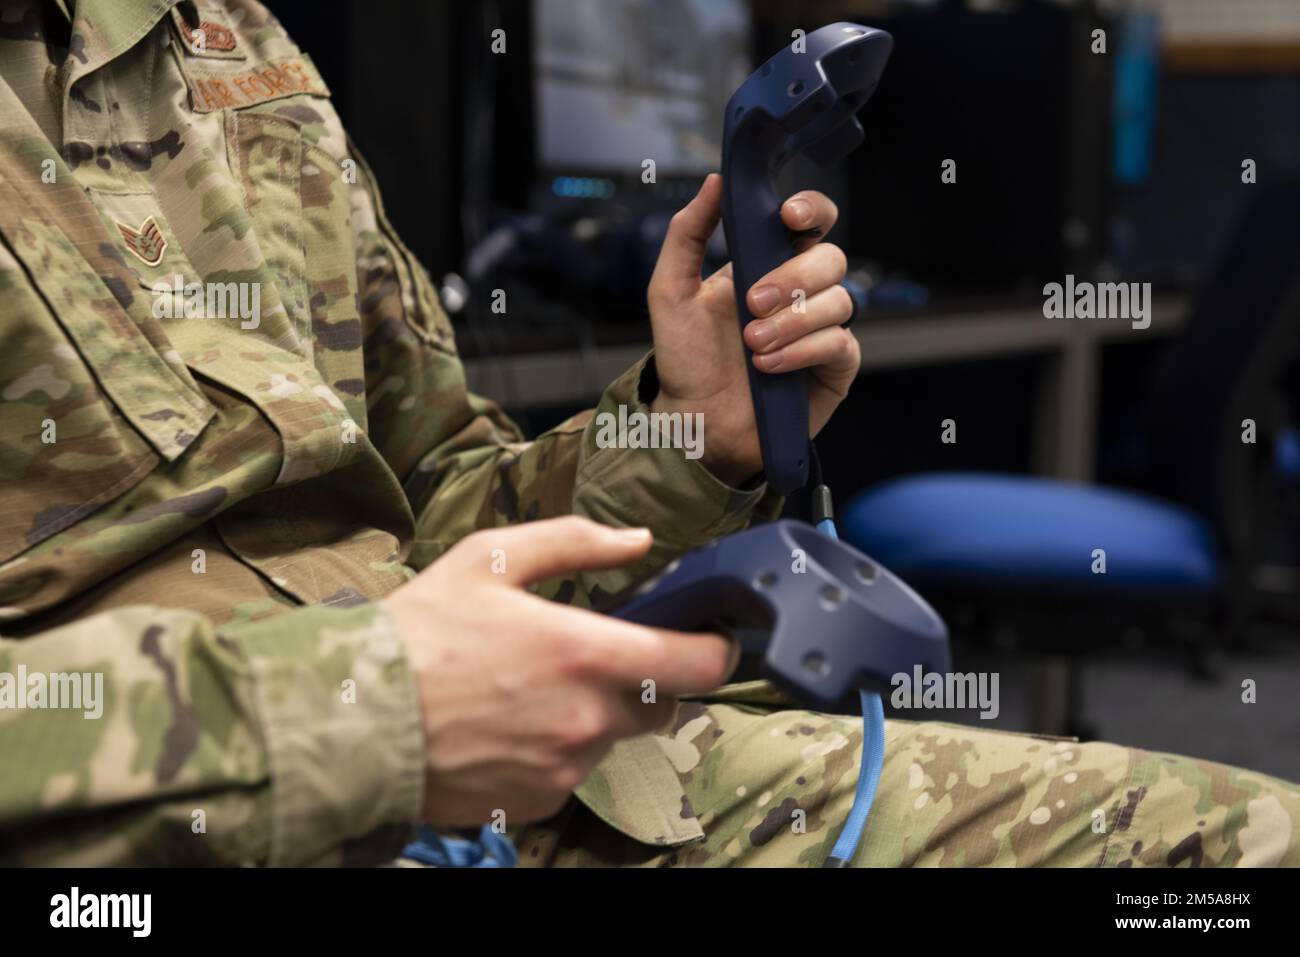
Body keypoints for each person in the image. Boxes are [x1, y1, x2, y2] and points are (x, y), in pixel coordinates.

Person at [0, 0, 1295, 867]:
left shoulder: (225, 46)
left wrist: (689, 437)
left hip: (539, 795)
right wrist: (361, 707)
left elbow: (440, 502)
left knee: (1244, 848)